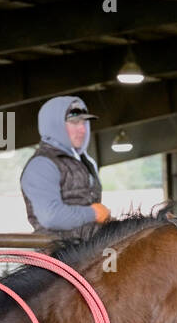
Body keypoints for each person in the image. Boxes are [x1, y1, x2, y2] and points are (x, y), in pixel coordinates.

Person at [20, 96, 110, 238]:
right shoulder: (42, 164)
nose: (82, 129)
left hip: (88, 249)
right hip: (58, 253)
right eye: (74, 122)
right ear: (55, 124)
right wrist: (93, 213)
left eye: (84, 122)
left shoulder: (86, 161)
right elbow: (50, 216)